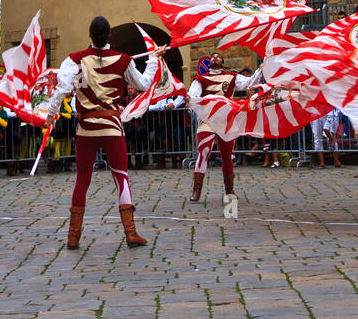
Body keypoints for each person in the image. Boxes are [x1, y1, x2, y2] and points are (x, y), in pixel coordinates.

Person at [47, 16, 164, 249]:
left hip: (86, 129)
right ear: (109, 35)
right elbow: (143, 83)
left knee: (82, 181)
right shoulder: (123, 60)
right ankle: (131, 234)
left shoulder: (74, 59)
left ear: (90, 35)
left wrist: (52, 112)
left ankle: (73, 237)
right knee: (121, 178)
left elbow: (62, 88)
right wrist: (153, 59)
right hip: (111, 127)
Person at [187, 50, 262, 201]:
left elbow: (249, 83)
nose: (215, 58)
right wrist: (192, 101)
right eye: (213, 57)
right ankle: (197, 190)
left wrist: (260, 69)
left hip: (227, 120)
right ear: (209, 62)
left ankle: (229, 190)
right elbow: (193, 96)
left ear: (222, 62)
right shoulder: (201, 79)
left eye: (218, 57)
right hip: (207, 119)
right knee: (203, 152)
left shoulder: (232, 76)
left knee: (227, 156)